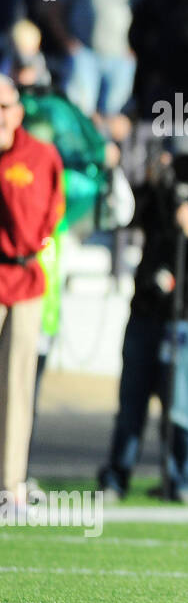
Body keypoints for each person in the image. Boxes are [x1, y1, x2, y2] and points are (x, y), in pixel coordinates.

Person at [98, 134, 188, 502]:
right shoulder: (157, 193)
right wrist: (142, 178)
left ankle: (180, 480)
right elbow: (122, 215)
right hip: (148, 310)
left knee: (181, 404)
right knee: (132, 401)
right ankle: (116, 478)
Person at [0, 75, 64, 514]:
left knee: (17, 385)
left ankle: (11, 485)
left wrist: (36, 244)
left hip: (23, 278)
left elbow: (54, 207)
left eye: (4, 108)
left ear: (18, 111)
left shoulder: (40, 156)